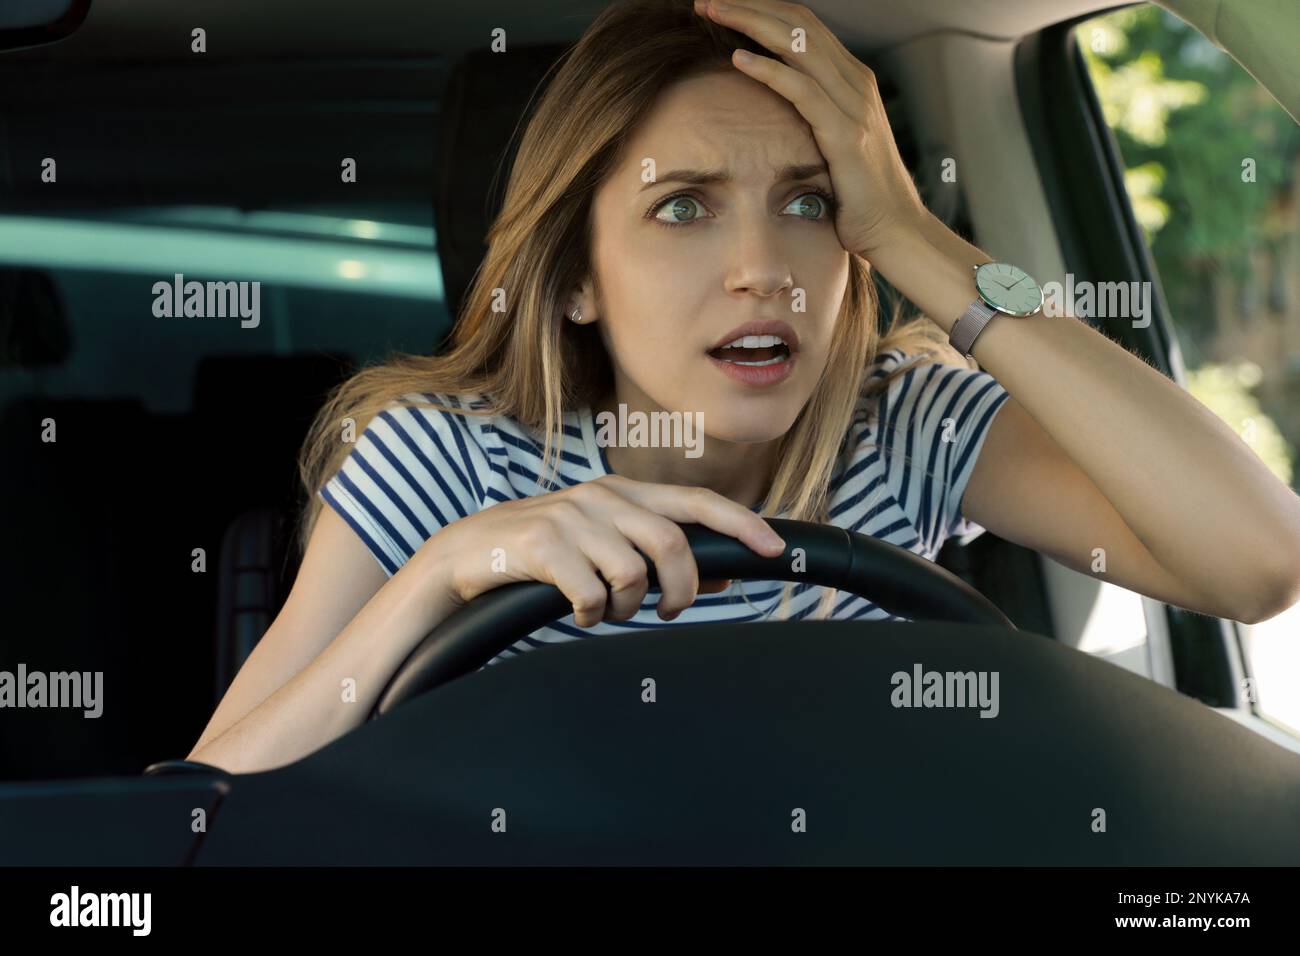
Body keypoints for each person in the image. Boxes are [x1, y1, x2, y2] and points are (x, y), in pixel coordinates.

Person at [187, 0, 1300, 774]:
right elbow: (207, 803)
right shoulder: (443, 456)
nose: (763, 267)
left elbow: (1258, 560)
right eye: (683, 206)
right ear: (575, 277)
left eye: (811, 203)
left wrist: (913, 235)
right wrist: (433, 578)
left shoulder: (900, 423)